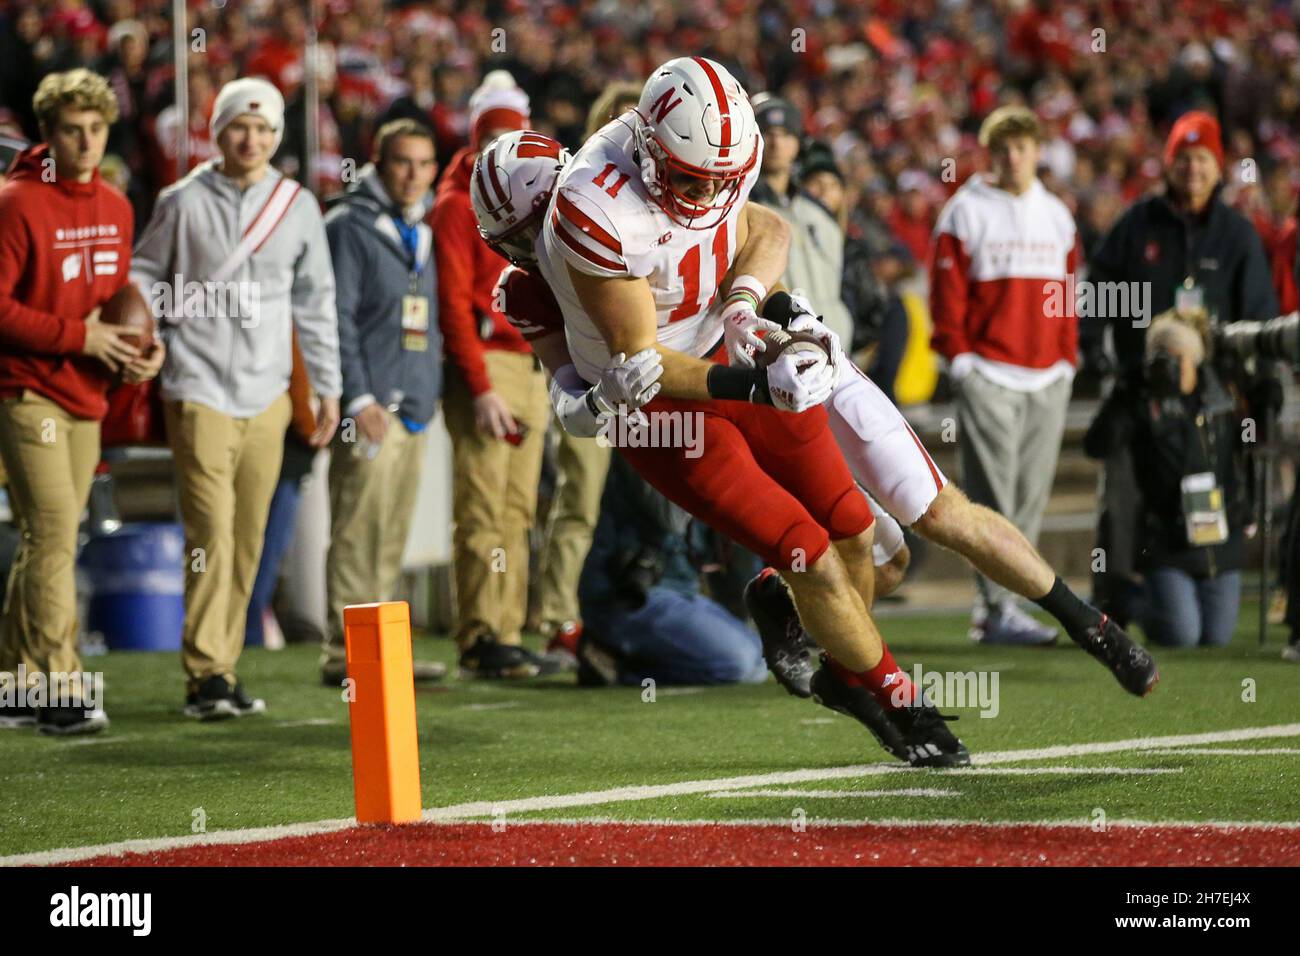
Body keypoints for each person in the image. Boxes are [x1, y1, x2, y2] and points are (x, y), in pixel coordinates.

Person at [536, 56, 970, 768]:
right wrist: (753, 384)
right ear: (646, 149)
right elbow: (641, 362)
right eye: (687, 179)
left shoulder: (714, 156)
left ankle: (830, 653)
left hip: (731, 362)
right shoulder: (595, 204)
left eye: (718, 181)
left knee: (866, 541)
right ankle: (899, 702)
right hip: (666, 406)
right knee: (811, 552)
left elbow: (767, 225)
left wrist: (743, 302)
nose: (704, 196)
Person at [131, 76, 341, 720]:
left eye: (264, 129)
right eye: (239, 127)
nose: (251, 139)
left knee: (250, 539)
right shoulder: (180, 200)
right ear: (217, 131)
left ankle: (221, 666)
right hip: (196, 387)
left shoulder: (297, 204)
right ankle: (206, 673)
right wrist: (151, 330)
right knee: (211, 534)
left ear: (277, 137)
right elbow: (143, 271)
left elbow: (315, 302)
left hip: (269, 393)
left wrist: (327, 384)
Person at [0, 68, 163, 736]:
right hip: (26, 388)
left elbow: (113, 301)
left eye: (97, 129)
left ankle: (11, 682)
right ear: (49, 132)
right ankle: (62, 688)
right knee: (55, 531)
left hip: (86, 390)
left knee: (49, 537)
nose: (87, 142)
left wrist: (137, 350)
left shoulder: (119, 206)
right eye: (72, 130)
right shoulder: (15, 202)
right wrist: (81, 335)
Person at [1083, 110, 1278, 623]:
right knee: (1120, 499)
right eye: (1183, 158)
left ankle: (1191, 596)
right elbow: (1094, 291)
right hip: (1138, 391)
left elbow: (1259, 315)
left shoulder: (1237, 234)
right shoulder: (1137, 223)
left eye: (1202, 159)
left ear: (1219, 168)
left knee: (1206, 493)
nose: (1192, 169)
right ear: (1168, 165)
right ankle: (1111, 607)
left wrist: (1259, 388)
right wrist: (1097, 352)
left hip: (1212, 398)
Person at [928, 105, 1079, 646]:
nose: (1013, 158)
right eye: (1003, 149)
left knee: (1030, 498)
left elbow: (1067, 292)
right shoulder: (964, 211)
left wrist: (1066, 359)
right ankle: (995, 609)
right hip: (989, 370)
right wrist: (961, 359)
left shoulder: (1059, 215)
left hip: (1045, 376)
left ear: (1038, 151)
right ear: (991, 154)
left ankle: (1010, 605)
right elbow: (947, 297)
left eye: (1022, 147)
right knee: (993, 499)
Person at [433, 71, 550, 678]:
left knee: (517, 509)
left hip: (529, 363)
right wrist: (478, 386)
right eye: (495, 136)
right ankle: (480, 633)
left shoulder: (523, 201)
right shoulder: (456, 208)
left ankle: (505, 629)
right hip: (492, 365)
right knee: (483, 506)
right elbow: (452, 305)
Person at [321, 118, 443, 686]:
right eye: (402, 162)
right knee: (356, 533)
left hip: (413, 408)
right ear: (377, 161)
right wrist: (357, 396)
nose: (413, 174)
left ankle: (385, 652)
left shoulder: (423, 227)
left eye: (423, 164)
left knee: (391, 536)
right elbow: (335, 317)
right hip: (370, 409)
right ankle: (344, 655)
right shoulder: (348, 224)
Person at [529, 82, 639, 660]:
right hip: (592, 372)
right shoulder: (575, 208)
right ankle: (558, 618)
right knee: (581, 497)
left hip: (647, 374)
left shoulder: (651, 205)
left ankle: (637, 609)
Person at [1084, 311, 1247, 647]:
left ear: (1196, 359)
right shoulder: (1142, 399)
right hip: (1166, 540)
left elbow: (1243, 458)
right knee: (1181, 635)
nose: (1169, 366)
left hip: (1216, 534)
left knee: (1216, 637)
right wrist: (1126, 392)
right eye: (1161, 357)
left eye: (1178, 358)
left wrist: (1242, 512)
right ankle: (1125, 598)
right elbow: (1096, 444)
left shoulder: (1221, 396)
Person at [576, 455, 767, 687]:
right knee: (737, 663)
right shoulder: (643, 435)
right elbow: (671, 517)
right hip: (628, 598)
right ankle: (618, 668)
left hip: (682, 594)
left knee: (760, 658)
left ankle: (617, 654)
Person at [749, 93, 854, 346]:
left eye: (785, 134)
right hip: (778, 346)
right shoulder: (742, 208)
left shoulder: (818, 212)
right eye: (768, 133)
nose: (776, 143)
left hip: (835, 342)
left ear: (797, 143)